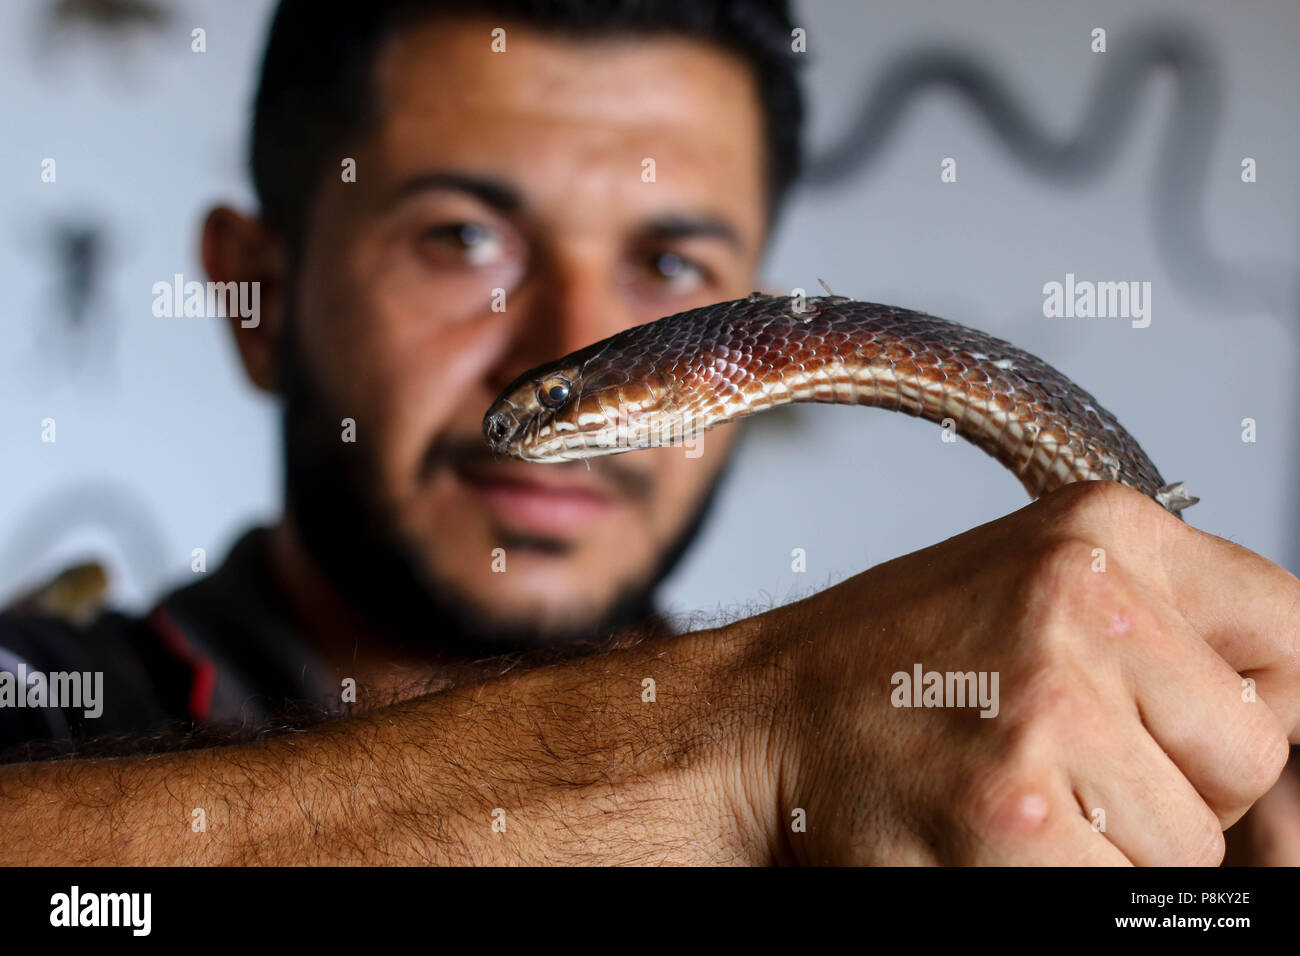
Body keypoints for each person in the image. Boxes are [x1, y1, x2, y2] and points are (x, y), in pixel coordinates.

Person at [1, 0, 1296, 866]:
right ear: (260, 291)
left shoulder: (967, 793)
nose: (551, 345)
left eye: (671, 260)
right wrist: (739, 739)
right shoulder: (48, 711)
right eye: (463, 239)